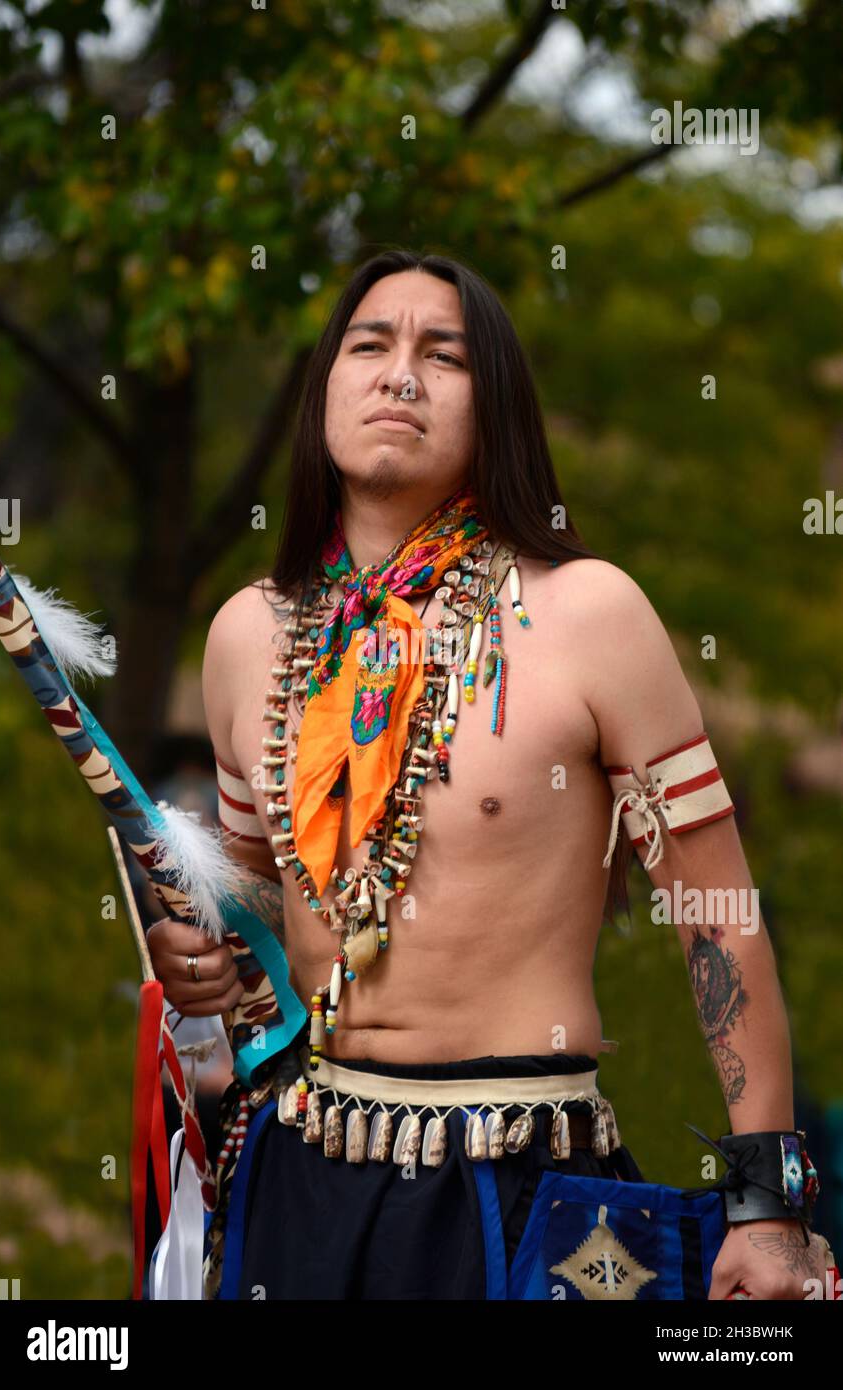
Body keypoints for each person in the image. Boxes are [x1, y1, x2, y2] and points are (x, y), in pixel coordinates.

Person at [147, 249, 831, 1301]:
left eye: (443, 354)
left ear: (495, 405)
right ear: (323, 388)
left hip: (515, 1182)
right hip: (295, 1181)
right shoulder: (251, 633)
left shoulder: (588, 613)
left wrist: (768, 1204)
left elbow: (714, 913)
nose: (399, 374)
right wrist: (199, 954)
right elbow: (247, 905)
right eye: (367, 345)